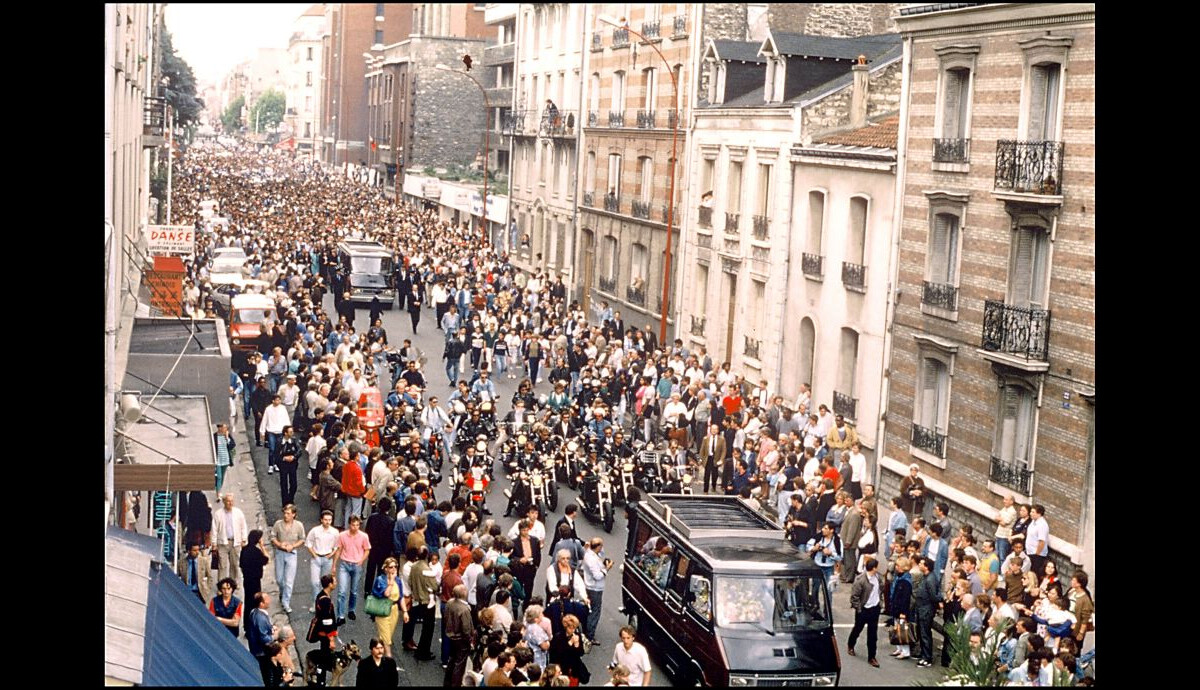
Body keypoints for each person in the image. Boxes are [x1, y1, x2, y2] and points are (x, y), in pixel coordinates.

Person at [334, 514, 371, 624]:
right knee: (341, 591)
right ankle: (340, 615)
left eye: (357, 525)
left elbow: (367, 549)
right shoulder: (342, 535)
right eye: (353, 525)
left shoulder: (364, 536)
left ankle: (351, 610)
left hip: (357, 565)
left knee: (354, 591)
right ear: (349, 524)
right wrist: (334, 565)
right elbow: (339, 549)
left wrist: (361, 560)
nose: (355, 527)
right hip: (344, 564)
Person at [847, 557, 883, 667]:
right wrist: (859, 609)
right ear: (874, 568)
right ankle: (851, 645)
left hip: (874, 609)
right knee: (858, 628)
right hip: (863, 610)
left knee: (873, 634)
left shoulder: (878, 578)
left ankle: (872, 657)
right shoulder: (860, 580)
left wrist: (880, 604)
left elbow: (880, 590)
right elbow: (854, 597)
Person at [270, 504, 305, 614]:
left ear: (294, 515)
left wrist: (293, 546)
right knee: (280, 579)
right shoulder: (278, 524)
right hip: (280, 553)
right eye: (285, 513)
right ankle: (282, 592)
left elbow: (302, 539)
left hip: (292, 554)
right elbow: (272, 537)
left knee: (289, 581)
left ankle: (286, 602)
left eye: (288, 513)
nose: (286, 515)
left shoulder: (299, 526)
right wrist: (279, 544)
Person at [306, 510, 340, 613]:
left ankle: (325, 604)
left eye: (330, 520)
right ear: (321, 520)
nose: (328, 522)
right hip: (316, 558)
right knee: (315, 582)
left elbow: (337, 546)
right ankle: (315, 603)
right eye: (325, 519)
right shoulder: (315, 531)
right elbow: (308, 543)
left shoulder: (335, 532)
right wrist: (314, 555)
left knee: (325, 584)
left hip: (327, 558)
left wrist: (331, 555)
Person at [211, 494, 248, 583]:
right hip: (223, 543)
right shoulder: (218, 514)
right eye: (228, 501)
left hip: (235, 543)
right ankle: (222, 584)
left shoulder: (238, 513)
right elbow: (214, 529)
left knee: (235, 564)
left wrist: (244, 539)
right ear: (224, 502)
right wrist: (214, 543)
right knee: (222, 565)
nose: (230, 503)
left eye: (232, 501)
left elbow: (243, 526)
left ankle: (233, 583)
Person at [371, 557, 404, 658]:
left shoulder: (398, 581)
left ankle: (376, 654)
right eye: (391, 567)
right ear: (386, 569)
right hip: (382, 610)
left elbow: (401, 596)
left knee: (387, 635)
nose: (394, 569)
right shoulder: (380, 580)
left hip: (394, 610)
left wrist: (405, 611)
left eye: (395, 566)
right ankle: (389, 658)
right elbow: (386, 594)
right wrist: (391, 582)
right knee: (386, 638)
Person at [582, 537, 613, 643]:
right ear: (598, 546)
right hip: (594, 588)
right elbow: (597, 576)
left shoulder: (592, 554)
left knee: (590, 609)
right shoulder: (591, 559)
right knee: (595, 611)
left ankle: (587, 630)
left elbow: (601, 553)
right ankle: (589, 636)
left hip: (592, 587)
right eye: (601, 546)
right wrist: (607, 568)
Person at [913, 557, 942, 668]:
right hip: (921, 608)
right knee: (921, 632)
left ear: (926, 567)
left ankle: (927, 657)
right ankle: (923, 653)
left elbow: (934, 596)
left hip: (926, 610)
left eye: (921, 564)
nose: (919, 565)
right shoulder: (926, 577)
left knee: (925, 634)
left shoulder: (930, 580)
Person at [240, 529, 270, 634]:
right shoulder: (257, 552)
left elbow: (241, 565)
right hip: (255, 581)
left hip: (247, 580)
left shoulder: (244, 550)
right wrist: (262, 546)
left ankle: (246, 626)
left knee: (248, 602)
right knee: (255, 603)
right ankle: (254, 626)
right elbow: (266, 559)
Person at [444, 584, 475, 687]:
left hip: (451, 637)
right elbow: (466, 629)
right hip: (461, 640)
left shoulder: (449, 603)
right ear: (464, 594)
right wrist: (470, 640)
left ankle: (447, 683)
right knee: (459, 664)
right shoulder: (464, 609)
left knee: (451, 661)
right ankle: (455, 684)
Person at [311, 574, 339, 685]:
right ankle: (321, 682)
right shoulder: (326, 600)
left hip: (322, 633)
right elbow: (327, 621)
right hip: (325, 635)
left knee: (323, 658)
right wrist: (331, 639)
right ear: (329, 584)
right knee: (324, 659)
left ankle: (319, 679)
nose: (336, 583)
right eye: (334, 582)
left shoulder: (321, 595)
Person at [549, 613, 591, 685]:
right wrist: (570, 643)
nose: (573, 630)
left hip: (574, 669)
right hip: (562, 668)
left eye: (574, 628)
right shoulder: (558, 637)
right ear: (566, 627)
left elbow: (580, 653)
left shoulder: (577, 636)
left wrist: (577, 645)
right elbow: (557, 654)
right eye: (571, 628)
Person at [247, 592, 278, 686]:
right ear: (261, 603)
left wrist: (271, 628)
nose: (270, 601)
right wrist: (275, 636)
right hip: (262, 652)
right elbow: (264, 638)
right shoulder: (260, 618)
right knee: (267, 674)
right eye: (267, 600)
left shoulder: (255, 612)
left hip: (258, 650)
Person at [1025, 504, 1051, 576]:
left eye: (1033, 512)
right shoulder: (1033, 522)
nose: (1030, 514)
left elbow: (1042, 541)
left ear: (1039, 513)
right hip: (1029, 552)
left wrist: (1037, 554)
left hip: (1036, 555)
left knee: (1034, 574)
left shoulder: (1042, 525)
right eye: (1030, 512)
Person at [213, 423, 236, 493]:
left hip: (225, 459)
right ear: (219, 428)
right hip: (218, 460)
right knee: (219, 477)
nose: (225, 429)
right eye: (224, 428)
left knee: (222, 476)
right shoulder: (214, 436)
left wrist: (227, 438)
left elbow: (232, 445)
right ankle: (218, 493)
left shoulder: (227, 436)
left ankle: (219, 488)